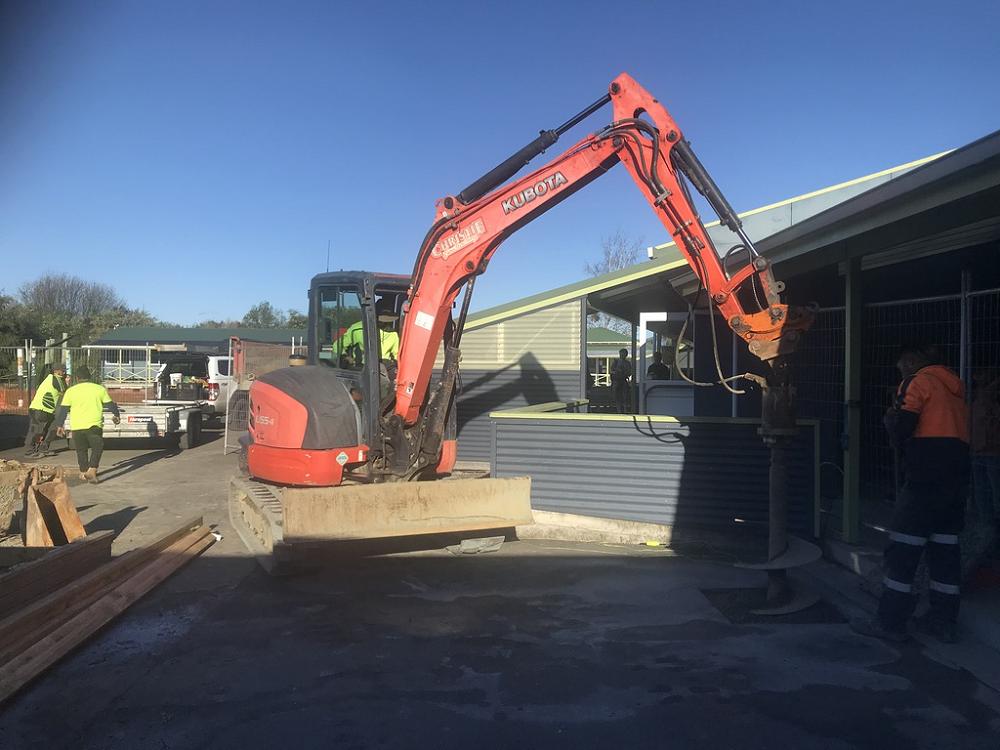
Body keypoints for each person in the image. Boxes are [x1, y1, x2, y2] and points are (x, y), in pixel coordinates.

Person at [851, 343, 969, 644]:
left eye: (902, 365)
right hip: (955, 480)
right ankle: (943, 622)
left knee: (904, 549)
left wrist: (891, 423)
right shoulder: (954, 389)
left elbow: (903, 423)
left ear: (913, 360)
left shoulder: (918, 382)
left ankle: (890, 622)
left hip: (924, 479)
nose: (900, 371)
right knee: (945, 551)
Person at [52, 366, 121, 484]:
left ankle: (83, 472)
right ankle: (92, 470)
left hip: (77, 426)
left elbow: (63, 410)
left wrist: (59, 425)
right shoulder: (99, 389)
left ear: (77, 378)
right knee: (97, 447)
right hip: (94, 425)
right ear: (89, 377)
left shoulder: (71, 391)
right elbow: (110, 404)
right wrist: (116, 415)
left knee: (81, 450)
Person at [971, 368, 1000, 554]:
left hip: (992, 449)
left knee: (993, 490)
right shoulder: (977, 395)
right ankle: (988, 527)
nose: (977, 377)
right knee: (983, 489)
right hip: (978, 448)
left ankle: (992, 528)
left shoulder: (989, 396)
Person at [335, 299, 400, 368]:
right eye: (381, 319)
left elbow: (397, 356)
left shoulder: (393, 333)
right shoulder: (357, 329)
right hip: (363, 367)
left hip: (386, 367)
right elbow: (337, 346)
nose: (383, 322)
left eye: (386, 319)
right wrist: (346, 357)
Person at [24, 363, 67, 457]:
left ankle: (38, 449)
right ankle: (33, 449)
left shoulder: (50, 378)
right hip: (41, 409)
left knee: (44, 428)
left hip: (40, 409)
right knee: (41, 429)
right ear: (56, 371)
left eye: (64, 370)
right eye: (62, 370)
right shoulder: (56, 379)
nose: (64, 372)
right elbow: (65, 392)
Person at [610, 348, 632, 414]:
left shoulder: (627, 363)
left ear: (626, 355)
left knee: (624, 397)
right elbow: (611, 371)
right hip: (616, 381)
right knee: (616, 396)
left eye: (624, 354)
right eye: (621, 354)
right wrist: (617, 370)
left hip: (624, 381)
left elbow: (630, 372)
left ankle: (625, 411)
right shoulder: (616, 362)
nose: (622, 355)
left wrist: (624, 372)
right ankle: (618, 410)